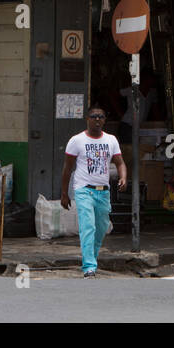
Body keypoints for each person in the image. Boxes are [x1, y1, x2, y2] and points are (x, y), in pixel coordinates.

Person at [60, 106, 126, 277]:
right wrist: (64, 194)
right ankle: (89, 266)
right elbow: (67, 169)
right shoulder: (76, 140)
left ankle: (92, 258)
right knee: (87, 226)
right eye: (94, 116)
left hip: (103, 191)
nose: (97, 119)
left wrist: (123, 177)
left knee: (102, 226)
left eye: (101, 117)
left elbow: (120, 162)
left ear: (105, 120)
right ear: (87, 119)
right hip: (83, 190)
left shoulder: (111, 140)